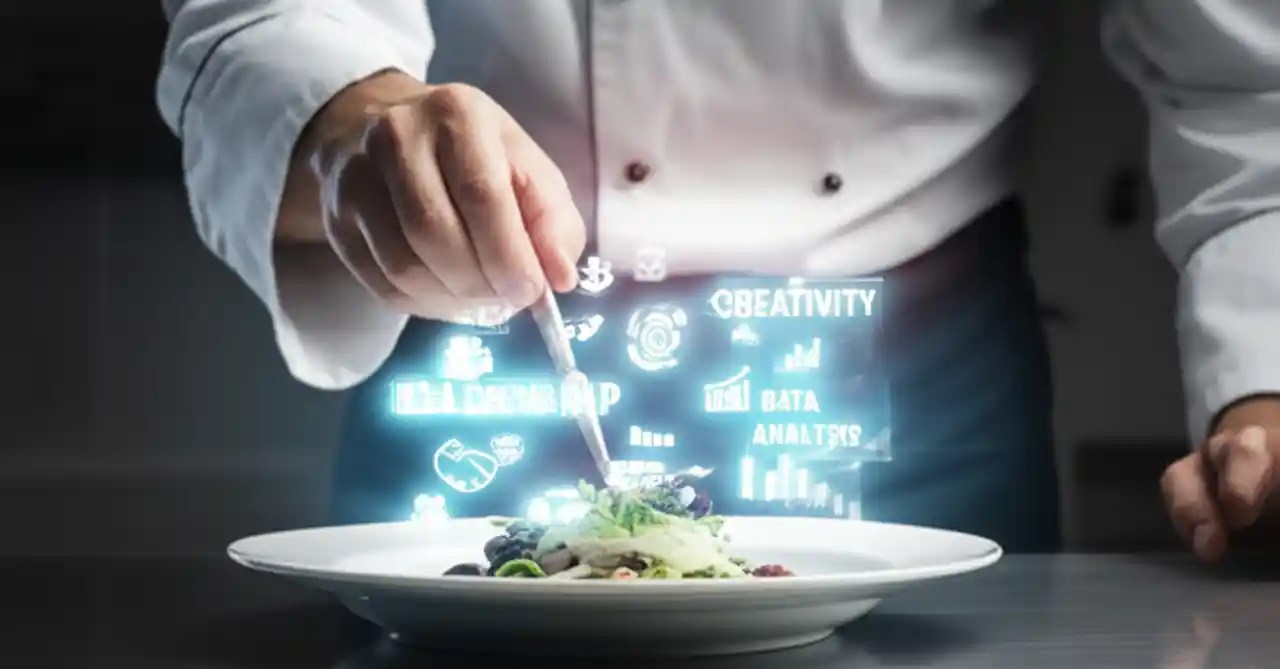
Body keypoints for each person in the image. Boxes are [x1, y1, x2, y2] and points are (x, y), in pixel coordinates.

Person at [157, 1, 1280, 559]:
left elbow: (1249, 79)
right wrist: (349, 120)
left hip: (912, 386)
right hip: (472, 350)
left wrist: (1265, 380)